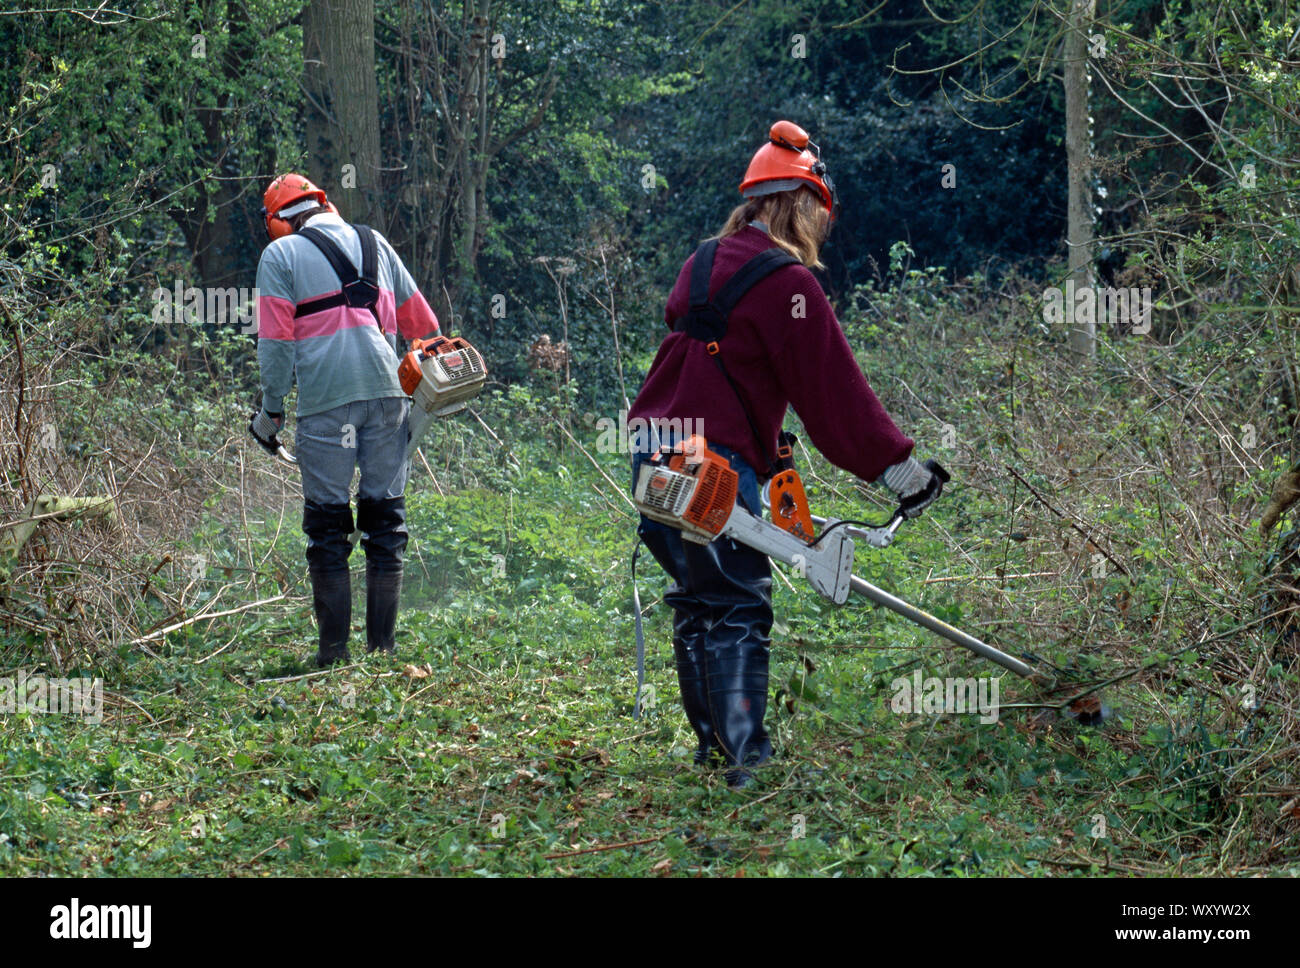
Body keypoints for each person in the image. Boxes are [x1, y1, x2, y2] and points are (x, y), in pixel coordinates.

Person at [627, 121, 946, 789]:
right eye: (816, 215)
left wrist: (773, 457)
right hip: (710, 466)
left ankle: (714, 752)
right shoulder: (787, 282)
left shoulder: (703, 262)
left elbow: (718, 370)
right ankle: (745, 764)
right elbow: (836, 398)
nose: (818, 231)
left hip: (656, 455)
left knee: (699, 601)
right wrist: (903, 473)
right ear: (798, 205)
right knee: (738, 606)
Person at [248, 173, 440, 667]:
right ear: (321, 204)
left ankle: (333, 654)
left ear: (278, 221)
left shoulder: (281, 256)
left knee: (328, 528)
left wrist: (271, 411)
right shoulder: (374, 241)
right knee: (385, 522)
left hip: (327, 402)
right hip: (387, 396)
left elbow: (274, 345)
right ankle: (382, 651)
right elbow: (426, 327)